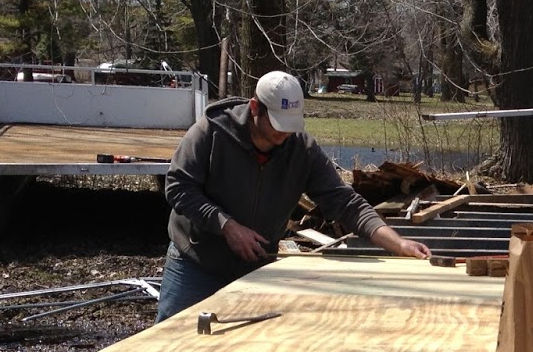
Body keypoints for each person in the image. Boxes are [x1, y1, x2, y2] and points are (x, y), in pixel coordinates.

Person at [157, 70, 431, 321]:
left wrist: (397, 243)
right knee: (165, 344)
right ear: (255, 108)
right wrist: (226, 226)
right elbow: (178, 187)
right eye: (277, 124)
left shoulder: (301, 149)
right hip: (196, 262)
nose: (284, 134)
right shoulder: (211, 132)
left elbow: (345, 202)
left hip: (255, 268)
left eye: (290, 125)